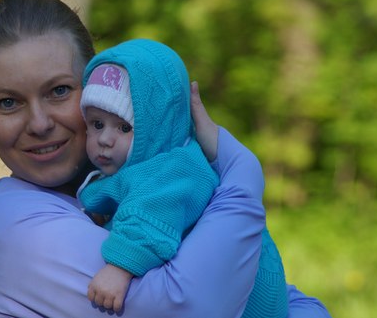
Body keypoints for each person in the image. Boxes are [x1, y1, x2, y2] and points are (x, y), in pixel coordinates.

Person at [0, 0, 331, 318]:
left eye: (59, 91)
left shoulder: (125, 182)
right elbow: (186, 308)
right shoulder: (13, 227)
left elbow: (269, 291)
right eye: (8, 102)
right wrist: (242, 174)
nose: (39, 123)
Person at [77, 39, 288, 317]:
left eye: (125, 127)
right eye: (96, 124)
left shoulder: (178, 165)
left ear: (158, 126)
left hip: (250, 301)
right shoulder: (136, 166)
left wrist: (120, 267)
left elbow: (150, 215)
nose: (104, 139)